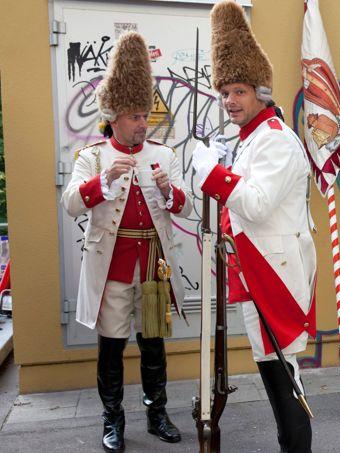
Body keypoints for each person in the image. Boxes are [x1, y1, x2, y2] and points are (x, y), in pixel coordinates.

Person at [192, 2, 316, 451]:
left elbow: (258, 205)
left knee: (284, 383)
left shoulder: (276, 140)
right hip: (256, 270)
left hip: (274, 273)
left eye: (238, 91)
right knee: (275, 376)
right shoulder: (250, 139)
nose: (229, 101)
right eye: (224, 92)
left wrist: (213, 175)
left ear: (261, 92)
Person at [61, 32, 190, 453]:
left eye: (144, 115)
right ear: (113, 115)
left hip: (154, 267)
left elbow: (185, 208)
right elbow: (70, 204)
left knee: (153, 344)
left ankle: (157, 413)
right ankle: (112, 419)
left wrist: (170, 190)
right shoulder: (92, 157)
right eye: (134, 116)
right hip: (113, 269)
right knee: (112, 348)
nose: (142, 123)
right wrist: (105, 180)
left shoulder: (163, 155)